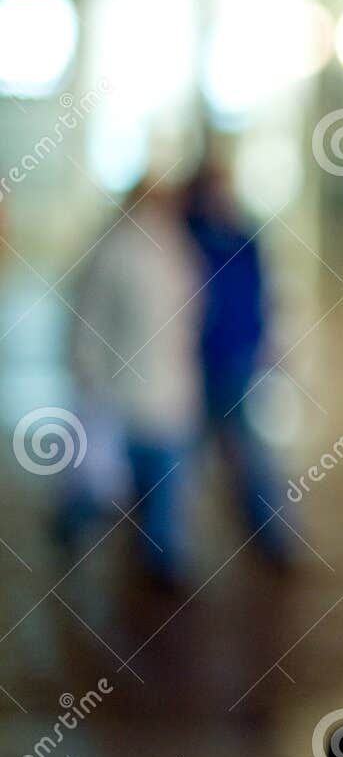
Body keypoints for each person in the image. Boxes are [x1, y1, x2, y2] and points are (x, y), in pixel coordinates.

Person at [57, 174, 204, 590]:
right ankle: (76, 526)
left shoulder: (174, 247)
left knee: (162, 488)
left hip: (165, 391)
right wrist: (89, 378)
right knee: (111, 482)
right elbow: (89, 321)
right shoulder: (119, 251)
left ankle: (162, 560)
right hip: (128, 394)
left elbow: (188, 314)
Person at [182, 156, 298, 567]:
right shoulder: (186, 239)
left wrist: (270, 343)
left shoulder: (245, 239)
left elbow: (262, 297)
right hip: (193, 365)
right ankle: (167, 545)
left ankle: (271, 534)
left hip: (236, 361)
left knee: (248, 452)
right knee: (181, 458)